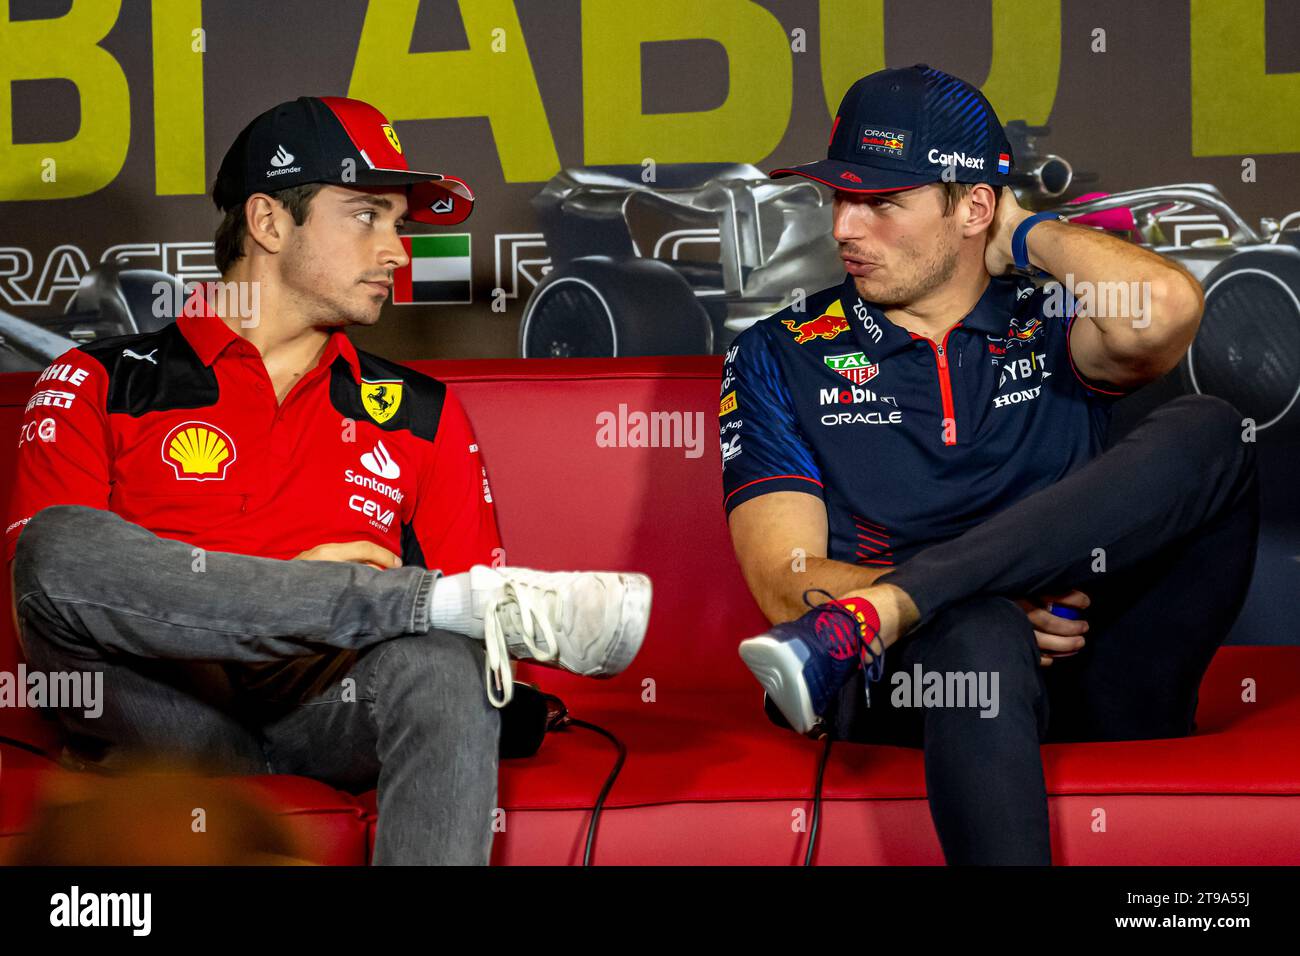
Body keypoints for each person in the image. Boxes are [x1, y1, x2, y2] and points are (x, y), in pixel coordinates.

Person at [5, 95, 651, 865]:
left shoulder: (422, 413)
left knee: (447, 665)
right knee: (55, 547)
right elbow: (55, 593)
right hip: (164, 719)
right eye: (367, 216)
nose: (397, 253)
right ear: (270, 223)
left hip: (333, 715)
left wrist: (354, 633)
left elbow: (484, 643)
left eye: (400, 226)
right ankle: (403, 600)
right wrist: (311, 600)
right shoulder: (97, 381)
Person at [722, 65, 1259, 865]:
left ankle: (897, 603)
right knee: (980, 632)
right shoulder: (778, 352)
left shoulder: (1049, 317)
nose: (844, 228)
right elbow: (781, 580)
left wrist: (1024, 235)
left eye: (881, 202)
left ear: (972, 206)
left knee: (1216, 431)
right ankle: (913, 611)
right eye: (838, 198)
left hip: (1092, 665)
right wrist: (997, 596)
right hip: (914, 681)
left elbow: (1169, 312)